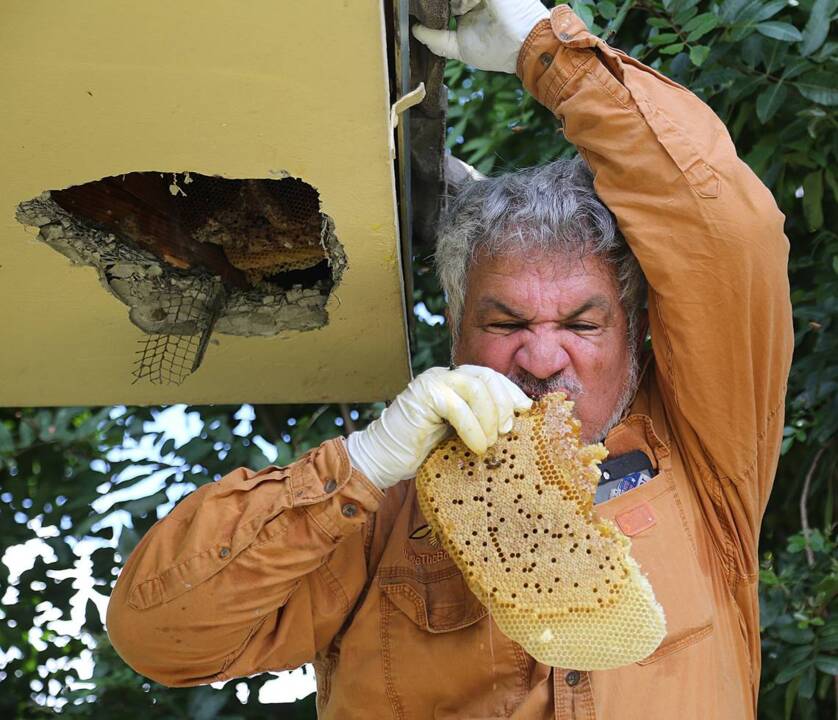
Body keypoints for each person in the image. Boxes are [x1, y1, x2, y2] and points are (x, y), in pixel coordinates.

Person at [106, 1, 793, 718]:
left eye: (583, 323)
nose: (541, 354)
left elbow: (728, 236)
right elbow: (158, 634)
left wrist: (550, 56)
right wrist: (363, 465)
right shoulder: (377, 504)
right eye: (506, 321)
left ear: (635, 331)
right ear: (456, 331)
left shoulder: (705, 452)